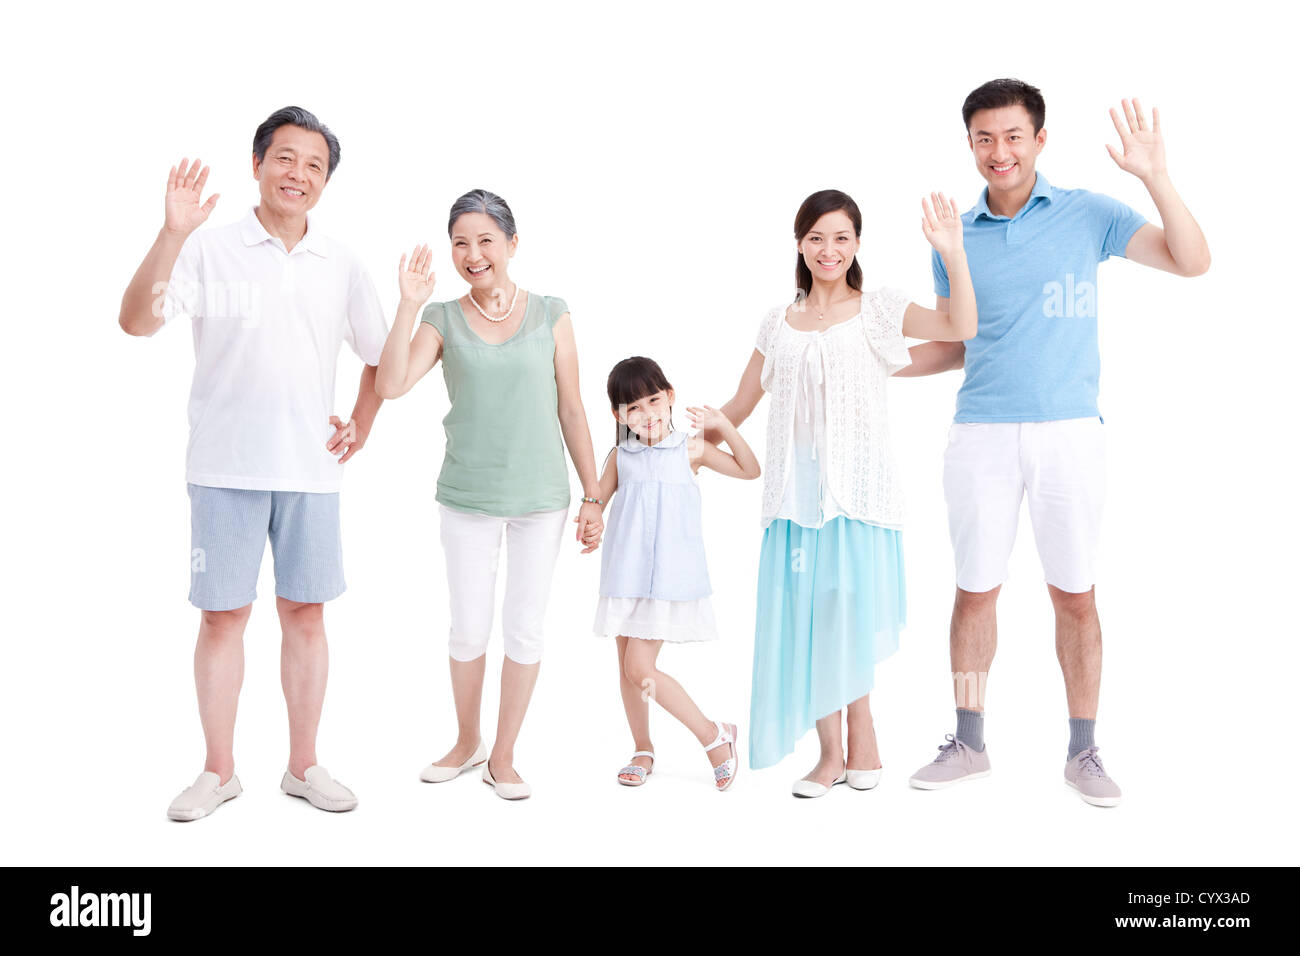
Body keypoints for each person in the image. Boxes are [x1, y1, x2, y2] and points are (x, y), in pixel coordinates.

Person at [899, 79, 1210, 807]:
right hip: (979, 432)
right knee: (975, 593)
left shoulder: (1087, 213)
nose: (998, 152)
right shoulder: (956, 233)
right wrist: (869, 365)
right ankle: (969, 741)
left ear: (1040, 139)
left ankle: (1083, 751)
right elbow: (958, 341)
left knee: (1075, 595)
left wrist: (1156, 176)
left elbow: (1192, 261)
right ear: (970, 144)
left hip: (1071, 433)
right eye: (983, 138)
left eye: (1012, 136)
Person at [119, 106, 389, 821]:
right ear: (258, 163)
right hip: (223, 470)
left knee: (306, 616)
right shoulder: (209, 249)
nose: (298, 174)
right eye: (286, 158)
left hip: (311, 474)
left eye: (314, 166)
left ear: (325, 182)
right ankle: (218, 772)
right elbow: (136, 321)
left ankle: (303, 767)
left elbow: (381, 360)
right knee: (222, 619)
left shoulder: (343, 262)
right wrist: (173, 233)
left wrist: (359, 425)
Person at [703, 188, 977, 797]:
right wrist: (681, 440)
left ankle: (865, 737)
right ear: (800, 243)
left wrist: (952, 253)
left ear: (857, 245)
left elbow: (963, 326)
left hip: (860, 499)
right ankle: (833, 756)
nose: (829, 250)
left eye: (842, 238)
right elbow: (739, 407)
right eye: (817, 238)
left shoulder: (878, 308)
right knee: (810, 620)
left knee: (847, 617)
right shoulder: (778, 321)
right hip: (795, 505)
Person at [376, 189, 604, 800]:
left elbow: (573, 409)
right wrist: (407, 305)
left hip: (541, 499)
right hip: (467, 495)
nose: (473, 255)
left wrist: (593, 496)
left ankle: (503, 755)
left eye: (485, 241)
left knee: (524, 629)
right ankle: (467, 740)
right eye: (460, 243)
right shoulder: (441, 319)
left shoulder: (553, 313)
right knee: (468, 628)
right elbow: (392, 383)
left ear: (511, 244)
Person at [591, 357, 760, 791]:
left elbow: (749, 469)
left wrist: (724, 424)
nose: (646, 414)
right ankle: (642, 748)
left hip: (667, 579)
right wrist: (588, 518)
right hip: (624, 576)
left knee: (639, 667)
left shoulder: (691, 448)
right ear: (618, 415)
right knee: (628, 669)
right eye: (633, 408)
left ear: (669, 397)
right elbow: (596, 501)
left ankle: (714, 736)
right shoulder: (620, 456)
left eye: (653, 400)